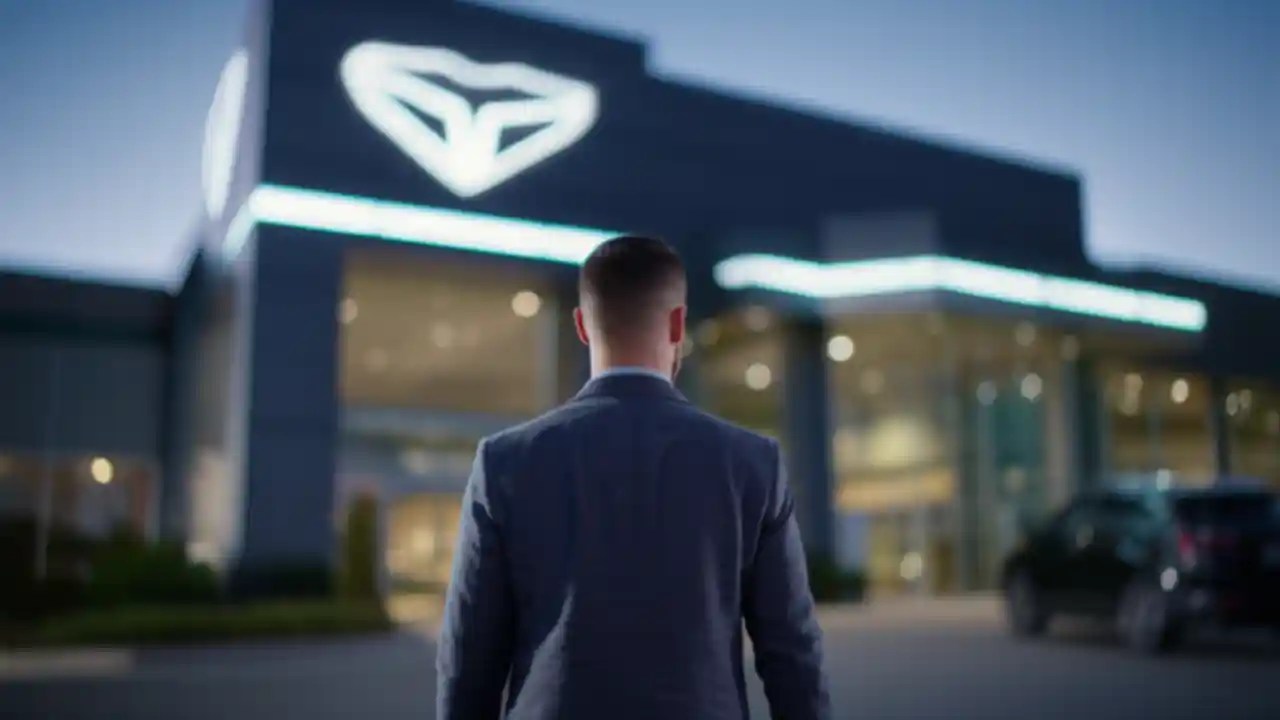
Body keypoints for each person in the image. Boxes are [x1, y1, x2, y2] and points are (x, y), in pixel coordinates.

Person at [436, 235, 830, 719]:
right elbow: (792, 655)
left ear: (581, 325)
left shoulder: (504, 462)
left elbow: (469, 660)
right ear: (679, 323)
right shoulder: (752, 463)